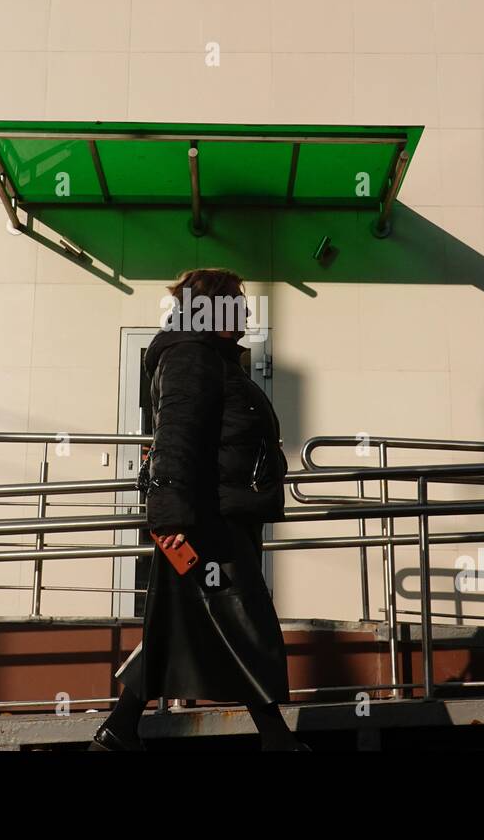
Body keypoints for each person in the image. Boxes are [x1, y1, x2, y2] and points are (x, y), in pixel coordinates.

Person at [90, 268, 306, 751]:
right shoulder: (192, 357)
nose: (248, 312)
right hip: (207, 522)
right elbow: (176, 439)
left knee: (186, 621)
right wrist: (168, 517)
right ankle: (277, 739)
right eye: (238, 303)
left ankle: (119, 730)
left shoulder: (212, 359)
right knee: (243, 618)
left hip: (217, 515)